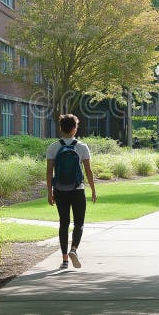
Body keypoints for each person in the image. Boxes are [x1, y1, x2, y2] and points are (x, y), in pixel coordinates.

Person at [47, 114, 97, 269]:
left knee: (64, 223)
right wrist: (93, 190)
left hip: (60, 190)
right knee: (79, 223)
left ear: (61, 128)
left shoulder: (53, 147)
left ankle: (64, 260)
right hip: (77, 189)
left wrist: (50, 192)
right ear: (74, 128)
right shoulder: (82, 146)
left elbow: (49, 172)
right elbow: (88, 171)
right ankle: (73, 249)